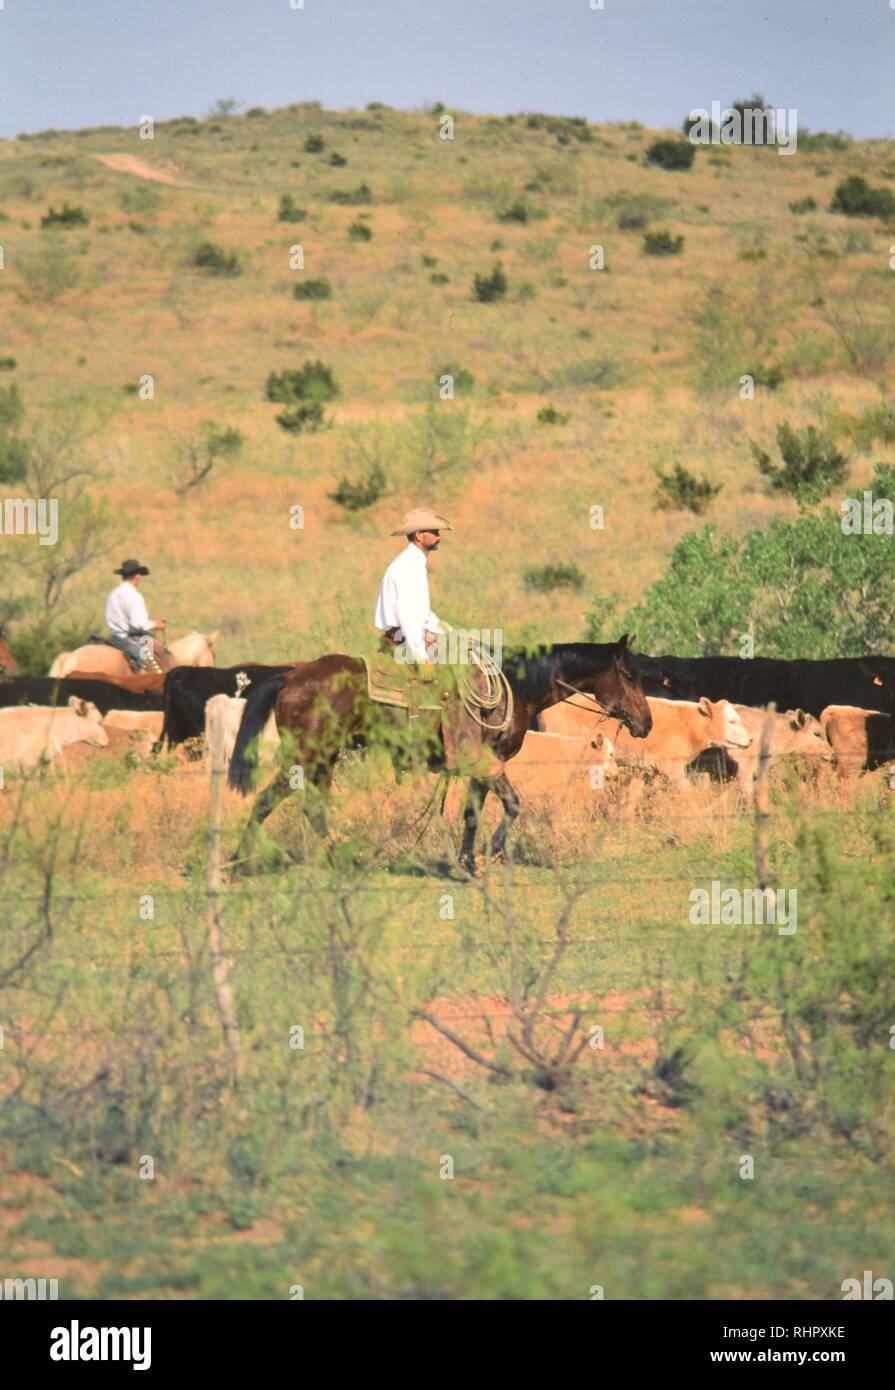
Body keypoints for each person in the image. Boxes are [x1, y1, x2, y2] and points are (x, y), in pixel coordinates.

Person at [374, 510, 502, 780]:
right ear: (419, 535)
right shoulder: (408, 566)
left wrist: (454, 633)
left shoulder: (413, 562)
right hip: (404, 636)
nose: (438, 536)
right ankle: (466, 753)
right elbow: (409, 617)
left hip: (411, 632)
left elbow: (424, 615)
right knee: (468, 670)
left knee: (472, 652)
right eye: (434, 532)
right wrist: (421, 657)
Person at [105, 559, 166, 671]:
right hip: (127, 639)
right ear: (137, 576)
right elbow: (138, 624)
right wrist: (156, 624)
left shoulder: (113, 594)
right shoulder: (134, 596)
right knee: (152, 667)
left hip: (114, 637)